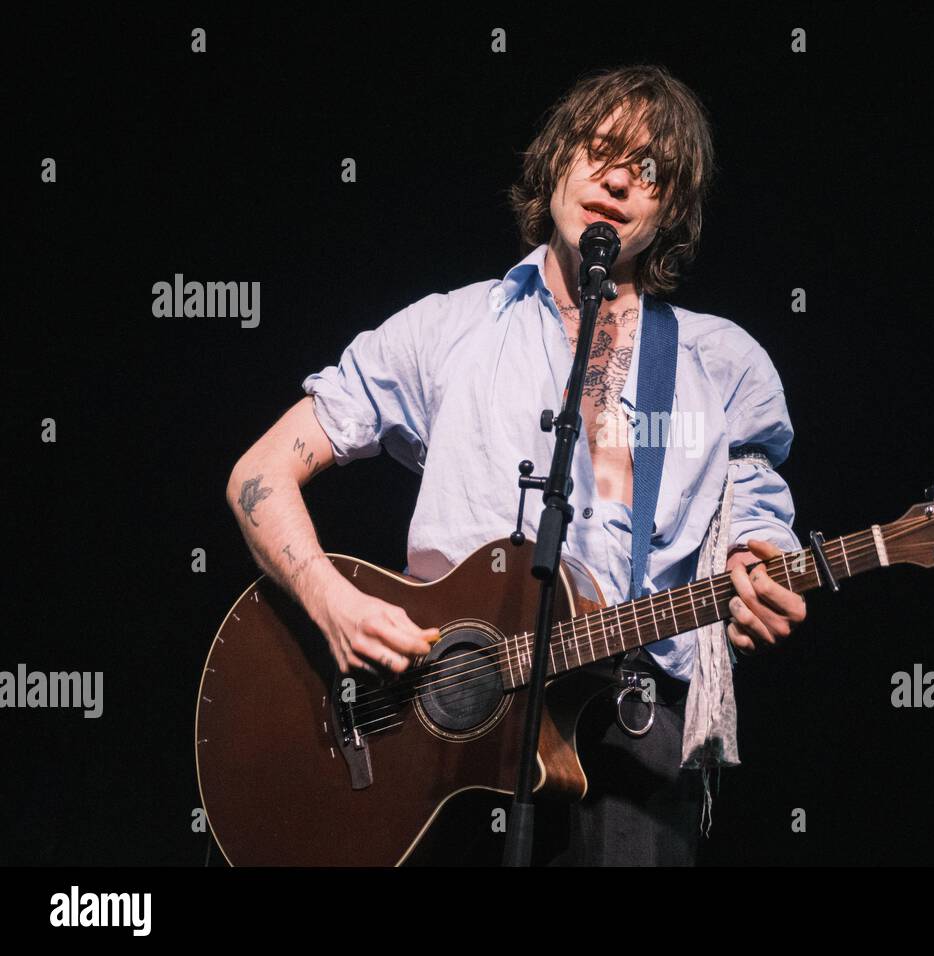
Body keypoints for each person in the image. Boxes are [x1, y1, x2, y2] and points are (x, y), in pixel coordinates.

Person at [225, 64, 806, 866]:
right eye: (601, 149)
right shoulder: (445, 330)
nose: (615, 180)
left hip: (632, 739)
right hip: (436, 730)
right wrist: (330, 602)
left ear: (670, 208)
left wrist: (760, 568)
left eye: (649, 171)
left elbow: (757, 528)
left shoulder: (723, 365)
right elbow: (259, 473)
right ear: (558, 157)